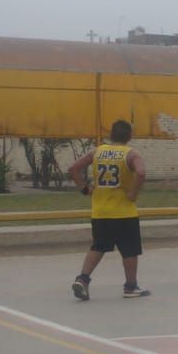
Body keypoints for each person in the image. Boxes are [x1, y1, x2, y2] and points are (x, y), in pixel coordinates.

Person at [67, 119, 150, 299]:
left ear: (111, 134)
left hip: (100, 211)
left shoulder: (97, 151)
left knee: (98, 246)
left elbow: (73, 169)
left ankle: (83, 279)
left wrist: (84, 188)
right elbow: (141, 172)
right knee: (129, 250)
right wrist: (133, 192)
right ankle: (130, 286)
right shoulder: (131, 154)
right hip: (123, 212)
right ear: (129, 136)